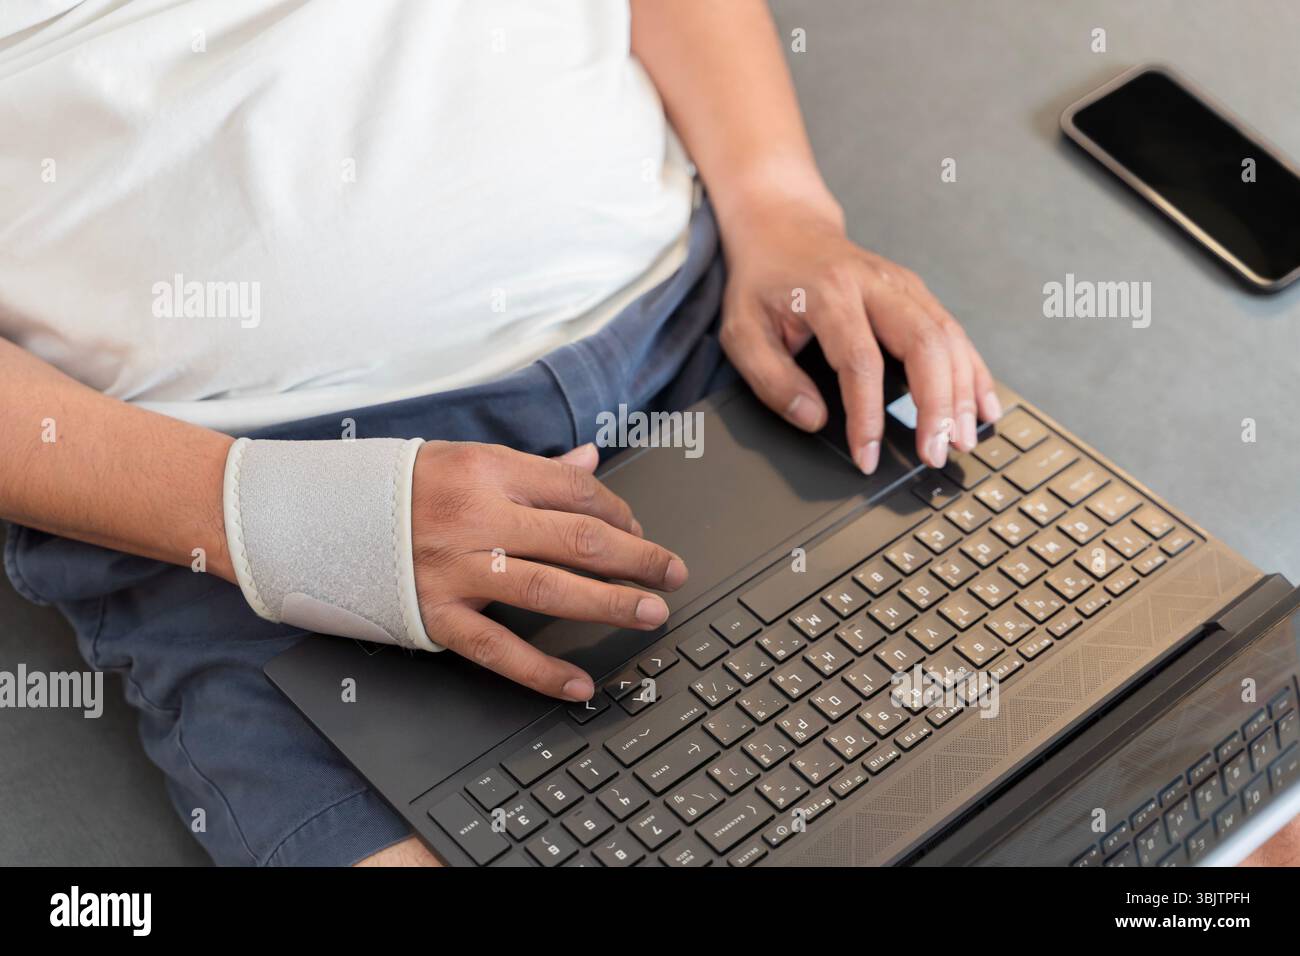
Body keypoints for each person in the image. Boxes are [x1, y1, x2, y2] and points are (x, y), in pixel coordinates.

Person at [5, 0, 1284, 868]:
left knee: (1206, 748)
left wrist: (784, 211)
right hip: (231, 491)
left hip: (699, 323)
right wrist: (279, 520)